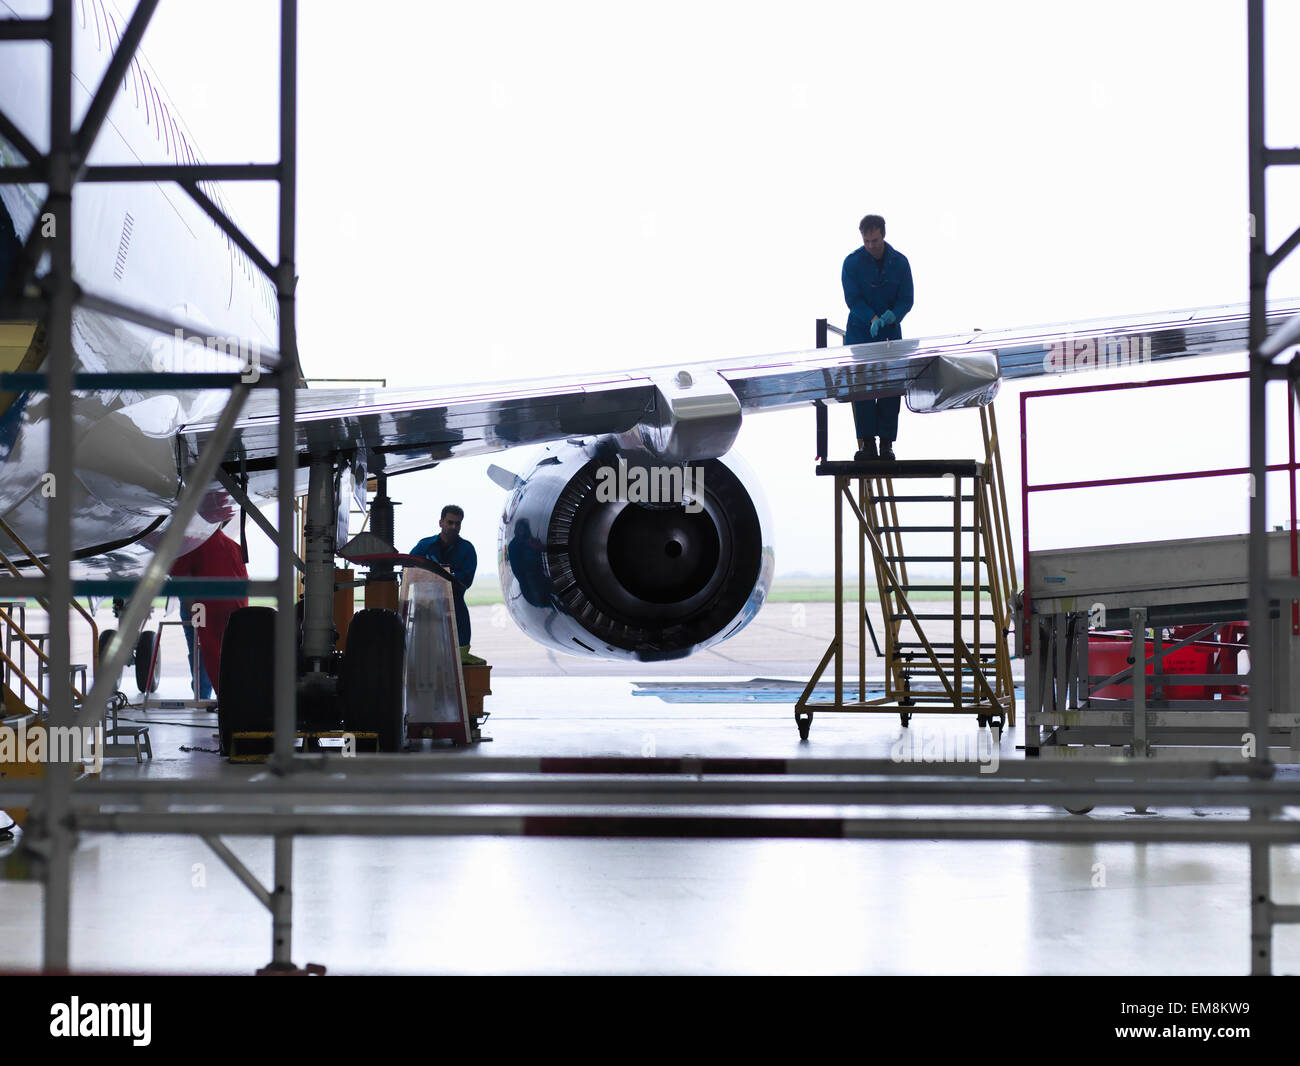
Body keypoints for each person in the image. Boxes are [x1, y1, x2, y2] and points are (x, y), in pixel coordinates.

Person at [842, 213, 914, 461]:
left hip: (890, 336)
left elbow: (907, 298)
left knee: (890, 388)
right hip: (861, 334)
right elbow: (853, 299)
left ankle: (886, 444)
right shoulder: (851, 263)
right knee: (862, 389)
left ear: (883, 234)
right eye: (867, 241)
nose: (871, 245)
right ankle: (867, 444)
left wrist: (892, 315)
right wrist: (871, 318)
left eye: (875, 240)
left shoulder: (901, 263)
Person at [168, 525, 249, 696]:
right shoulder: (233, 545)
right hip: (235, 608)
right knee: (230, 652)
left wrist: (194, 614)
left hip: (207, 606)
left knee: (206, 649)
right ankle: (231, 696)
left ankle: (206, 694)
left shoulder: (192, 544)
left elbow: (179, 580)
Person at [410, 504, 483, 665]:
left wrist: (440, 575)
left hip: (455, 607)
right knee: (424, 657)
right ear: (441, 522)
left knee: (459, 653)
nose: (453, 527)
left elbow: (466, 581)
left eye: (457, 523)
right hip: (425, 607)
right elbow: (408, 571)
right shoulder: (424, 546)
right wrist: (446, 576)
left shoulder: (467, 550)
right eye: (450, 522)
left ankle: (461, 657)